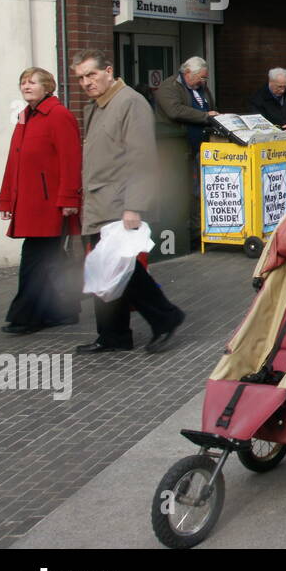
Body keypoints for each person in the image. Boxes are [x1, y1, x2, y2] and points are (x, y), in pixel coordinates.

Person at [71, 50, 185, 354]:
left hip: (119, 202)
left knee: (124, 270)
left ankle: (166, 317)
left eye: (91, 74)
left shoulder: (130, 103)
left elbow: (141, 158)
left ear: (108, 70)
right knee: (106, 271)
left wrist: (134, 205)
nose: (86, 82)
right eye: (81, 77)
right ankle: (113, 336)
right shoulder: (96, 107)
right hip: (100, 202)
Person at [0, 67, 83, 333]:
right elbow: (15, 162)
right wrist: (6, 201)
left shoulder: (58, 116)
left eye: (32, 82)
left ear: (48, 86)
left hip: (50, 206)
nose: (26, 86)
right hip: (30, 204)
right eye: (23, 82)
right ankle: (64, 311)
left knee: (35, 259)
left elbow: (71, 160)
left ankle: (27, 316)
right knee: (52, 259)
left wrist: (69, 198)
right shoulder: (25, 117)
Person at [154, 56, 218, 151]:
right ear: (188, 72)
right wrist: (205, 116)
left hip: (204, 146)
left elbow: (211, 108)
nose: (203, 81)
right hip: (178, 147)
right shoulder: (170, 86)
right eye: (201, 77)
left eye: (205, 78)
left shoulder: (202, 87)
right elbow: (175, 111)